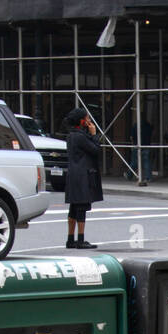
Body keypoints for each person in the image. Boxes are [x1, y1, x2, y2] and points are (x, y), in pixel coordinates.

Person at [63, 107, 103, 249]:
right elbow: (96, 150)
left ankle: (70, 238)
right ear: (81, 121)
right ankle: (80, 239)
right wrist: (94, 134)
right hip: (82, 175)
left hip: (73, 174)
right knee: (81, 207)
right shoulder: (80, 137)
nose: (89, 120)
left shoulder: (71, 135)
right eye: (86, 118)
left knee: (74, 206)